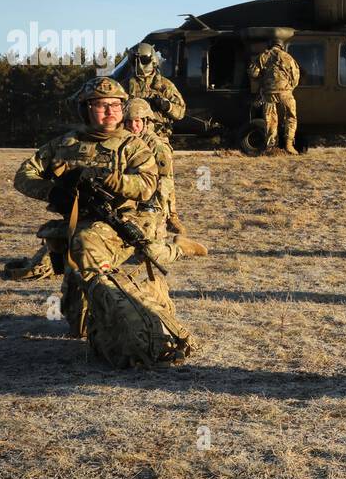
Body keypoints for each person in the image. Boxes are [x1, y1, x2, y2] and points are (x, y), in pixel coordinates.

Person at [13, 78, 203, 335]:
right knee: (78, 324)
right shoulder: (65, 144)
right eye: (102, 105)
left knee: (103, 247)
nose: (110, 111)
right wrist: (54, 192)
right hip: (75, 224)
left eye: (115, 105)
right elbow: (24, 175)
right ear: (86, 108)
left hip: (121, 222)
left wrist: (110, 178)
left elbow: (147, 185)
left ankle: (138, 314)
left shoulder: (133, 145)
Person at [123, 97, 186, 237]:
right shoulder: (124, 141)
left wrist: (163, 213)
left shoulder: (156, 146)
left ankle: (179, 247)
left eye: (137, 121)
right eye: (129, 121)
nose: (133, 126)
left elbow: (165, 182)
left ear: (146, 121)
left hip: (151, 200)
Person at [247, 32, 301, 153]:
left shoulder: (263, 56)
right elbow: (296, 76)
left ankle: (271, 147)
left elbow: (253, 73)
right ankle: (289, 145)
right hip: (285, 92)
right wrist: (289, 88)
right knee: (291, 117)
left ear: (270, 45)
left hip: (269, 93)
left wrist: (261, 78)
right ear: (281, 46)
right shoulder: (288, 57)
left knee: (270, 119)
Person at [124, 42, 186, 141]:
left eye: (144, 60)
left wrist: (167, 106)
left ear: (153, 60)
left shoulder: (165, 85)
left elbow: (181, 112)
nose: (139, 64)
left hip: (158, 137)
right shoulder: (124, 87)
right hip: (131, 138)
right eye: (134, 60)